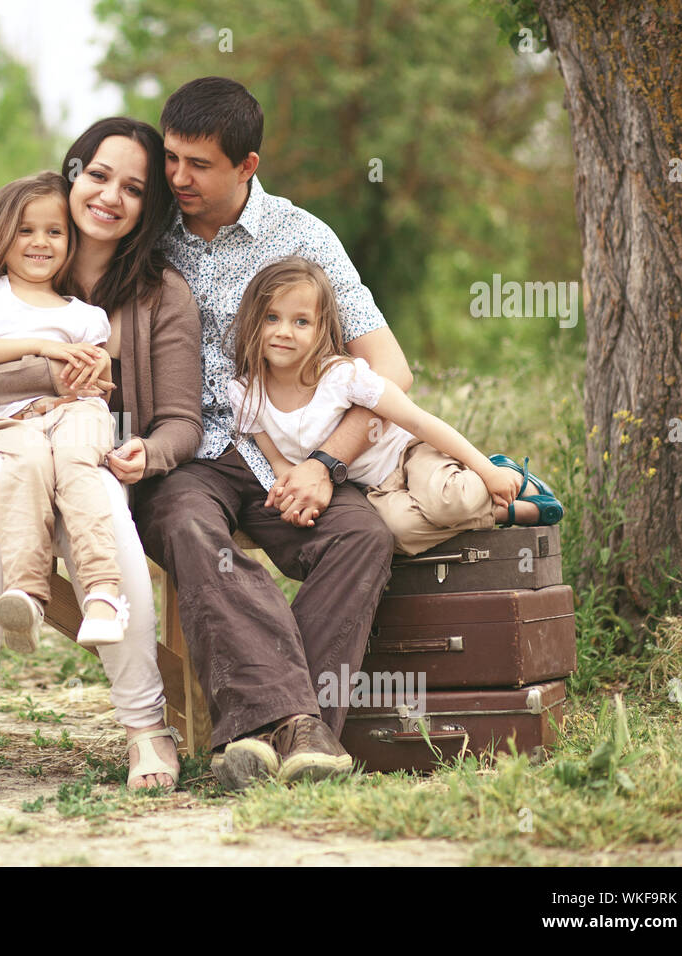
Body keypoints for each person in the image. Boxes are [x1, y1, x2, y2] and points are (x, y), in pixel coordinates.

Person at [0, 118, 202, 801]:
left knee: (108, 517)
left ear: (151, 207)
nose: (111, 195)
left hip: (79, 453)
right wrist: (43, 375)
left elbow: (180, 419)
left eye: (135, 187)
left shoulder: (158, 294)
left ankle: (146, 726)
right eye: (98, 175)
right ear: (73, 173)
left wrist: (151, 450)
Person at [133, 76, 411, 790]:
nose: (177, 178)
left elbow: (391, 372)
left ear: (247, 165)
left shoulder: (303, 236)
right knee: (192, 528)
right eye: (171, 158)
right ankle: (299, 730)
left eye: (199, 165)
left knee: (361, 536)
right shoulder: (146, 231)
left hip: (287, 447)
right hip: (187, 450)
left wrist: (324, 464)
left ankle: (259, 737)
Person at [228, 256, 564, 558]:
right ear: (253, 321)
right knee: (397, 533)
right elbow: (279, 463)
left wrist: (485, 470)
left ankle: (504, 475)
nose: (284, 332)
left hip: (409, 454)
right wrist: (295, 503)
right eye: (272, 317)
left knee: (449, 502)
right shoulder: (246, 394)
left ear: (320, 330)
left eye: (301, 322)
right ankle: (511, 512)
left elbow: (419, 422)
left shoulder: (342, 376)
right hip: (372, 486)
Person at [0, 171, 131, 651]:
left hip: (76, 412)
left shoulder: (85, 315)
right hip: (15, 419)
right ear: (1, 234)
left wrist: (95, 368)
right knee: (26, 466)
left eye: (55, 232)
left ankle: (103, 595)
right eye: (25, 230)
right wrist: (40, 349)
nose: (40, 242)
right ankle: (26, 596)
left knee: (75, 464)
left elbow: (100, 386)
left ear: (71, 242)